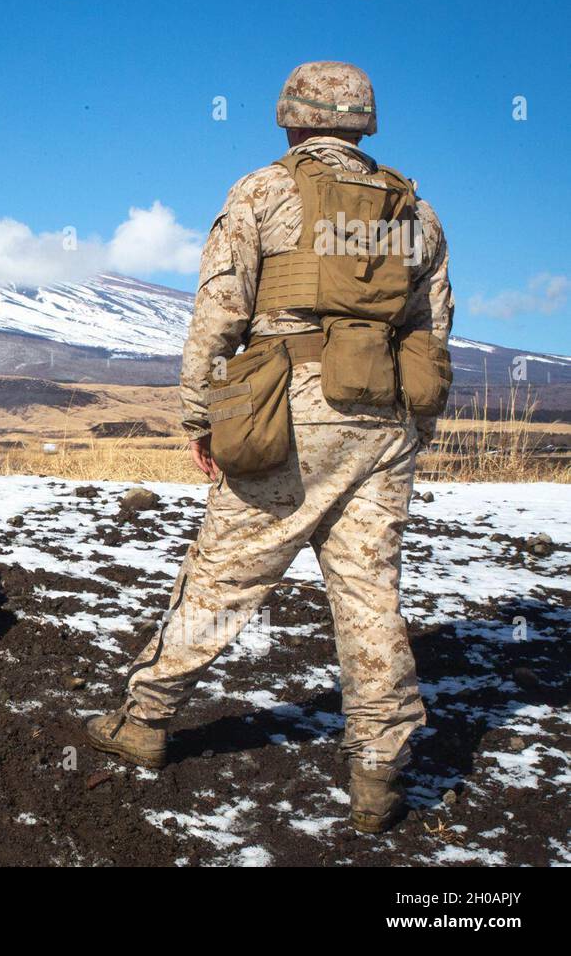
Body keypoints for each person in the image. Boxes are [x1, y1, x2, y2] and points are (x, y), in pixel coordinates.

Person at [84, 62, 454, 833]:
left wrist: (201, 419)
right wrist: (415, 426)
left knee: (224, 576)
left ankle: (146, 720)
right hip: (385, 418)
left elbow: (218, 315)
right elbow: (434, 326)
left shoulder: (263, 191)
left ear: (293, 119)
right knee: (370, 593)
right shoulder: (415, 210)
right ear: (363, 125)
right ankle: (379, 772)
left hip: (293, 409)